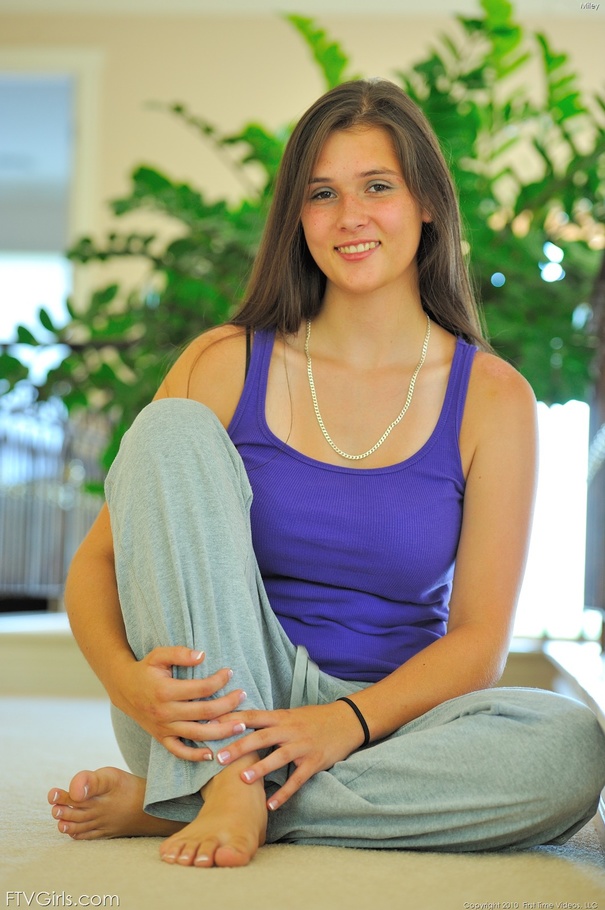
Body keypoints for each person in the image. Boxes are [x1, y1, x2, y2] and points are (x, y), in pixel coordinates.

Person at [48, 79, 605, 868]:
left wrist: (342, 722)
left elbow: (478, 642)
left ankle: (197, 799)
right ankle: (223, 778)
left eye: (376, 186)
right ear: (297, 216)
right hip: (211, 714)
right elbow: (96, 566)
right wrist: (125, 683)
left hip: (384, 724)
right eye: (321, 193)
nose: (349, 216)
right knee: (168, 429)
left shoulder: (492, 398)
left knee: (568, 746)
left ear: (426, 204)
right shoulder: (222, 362)